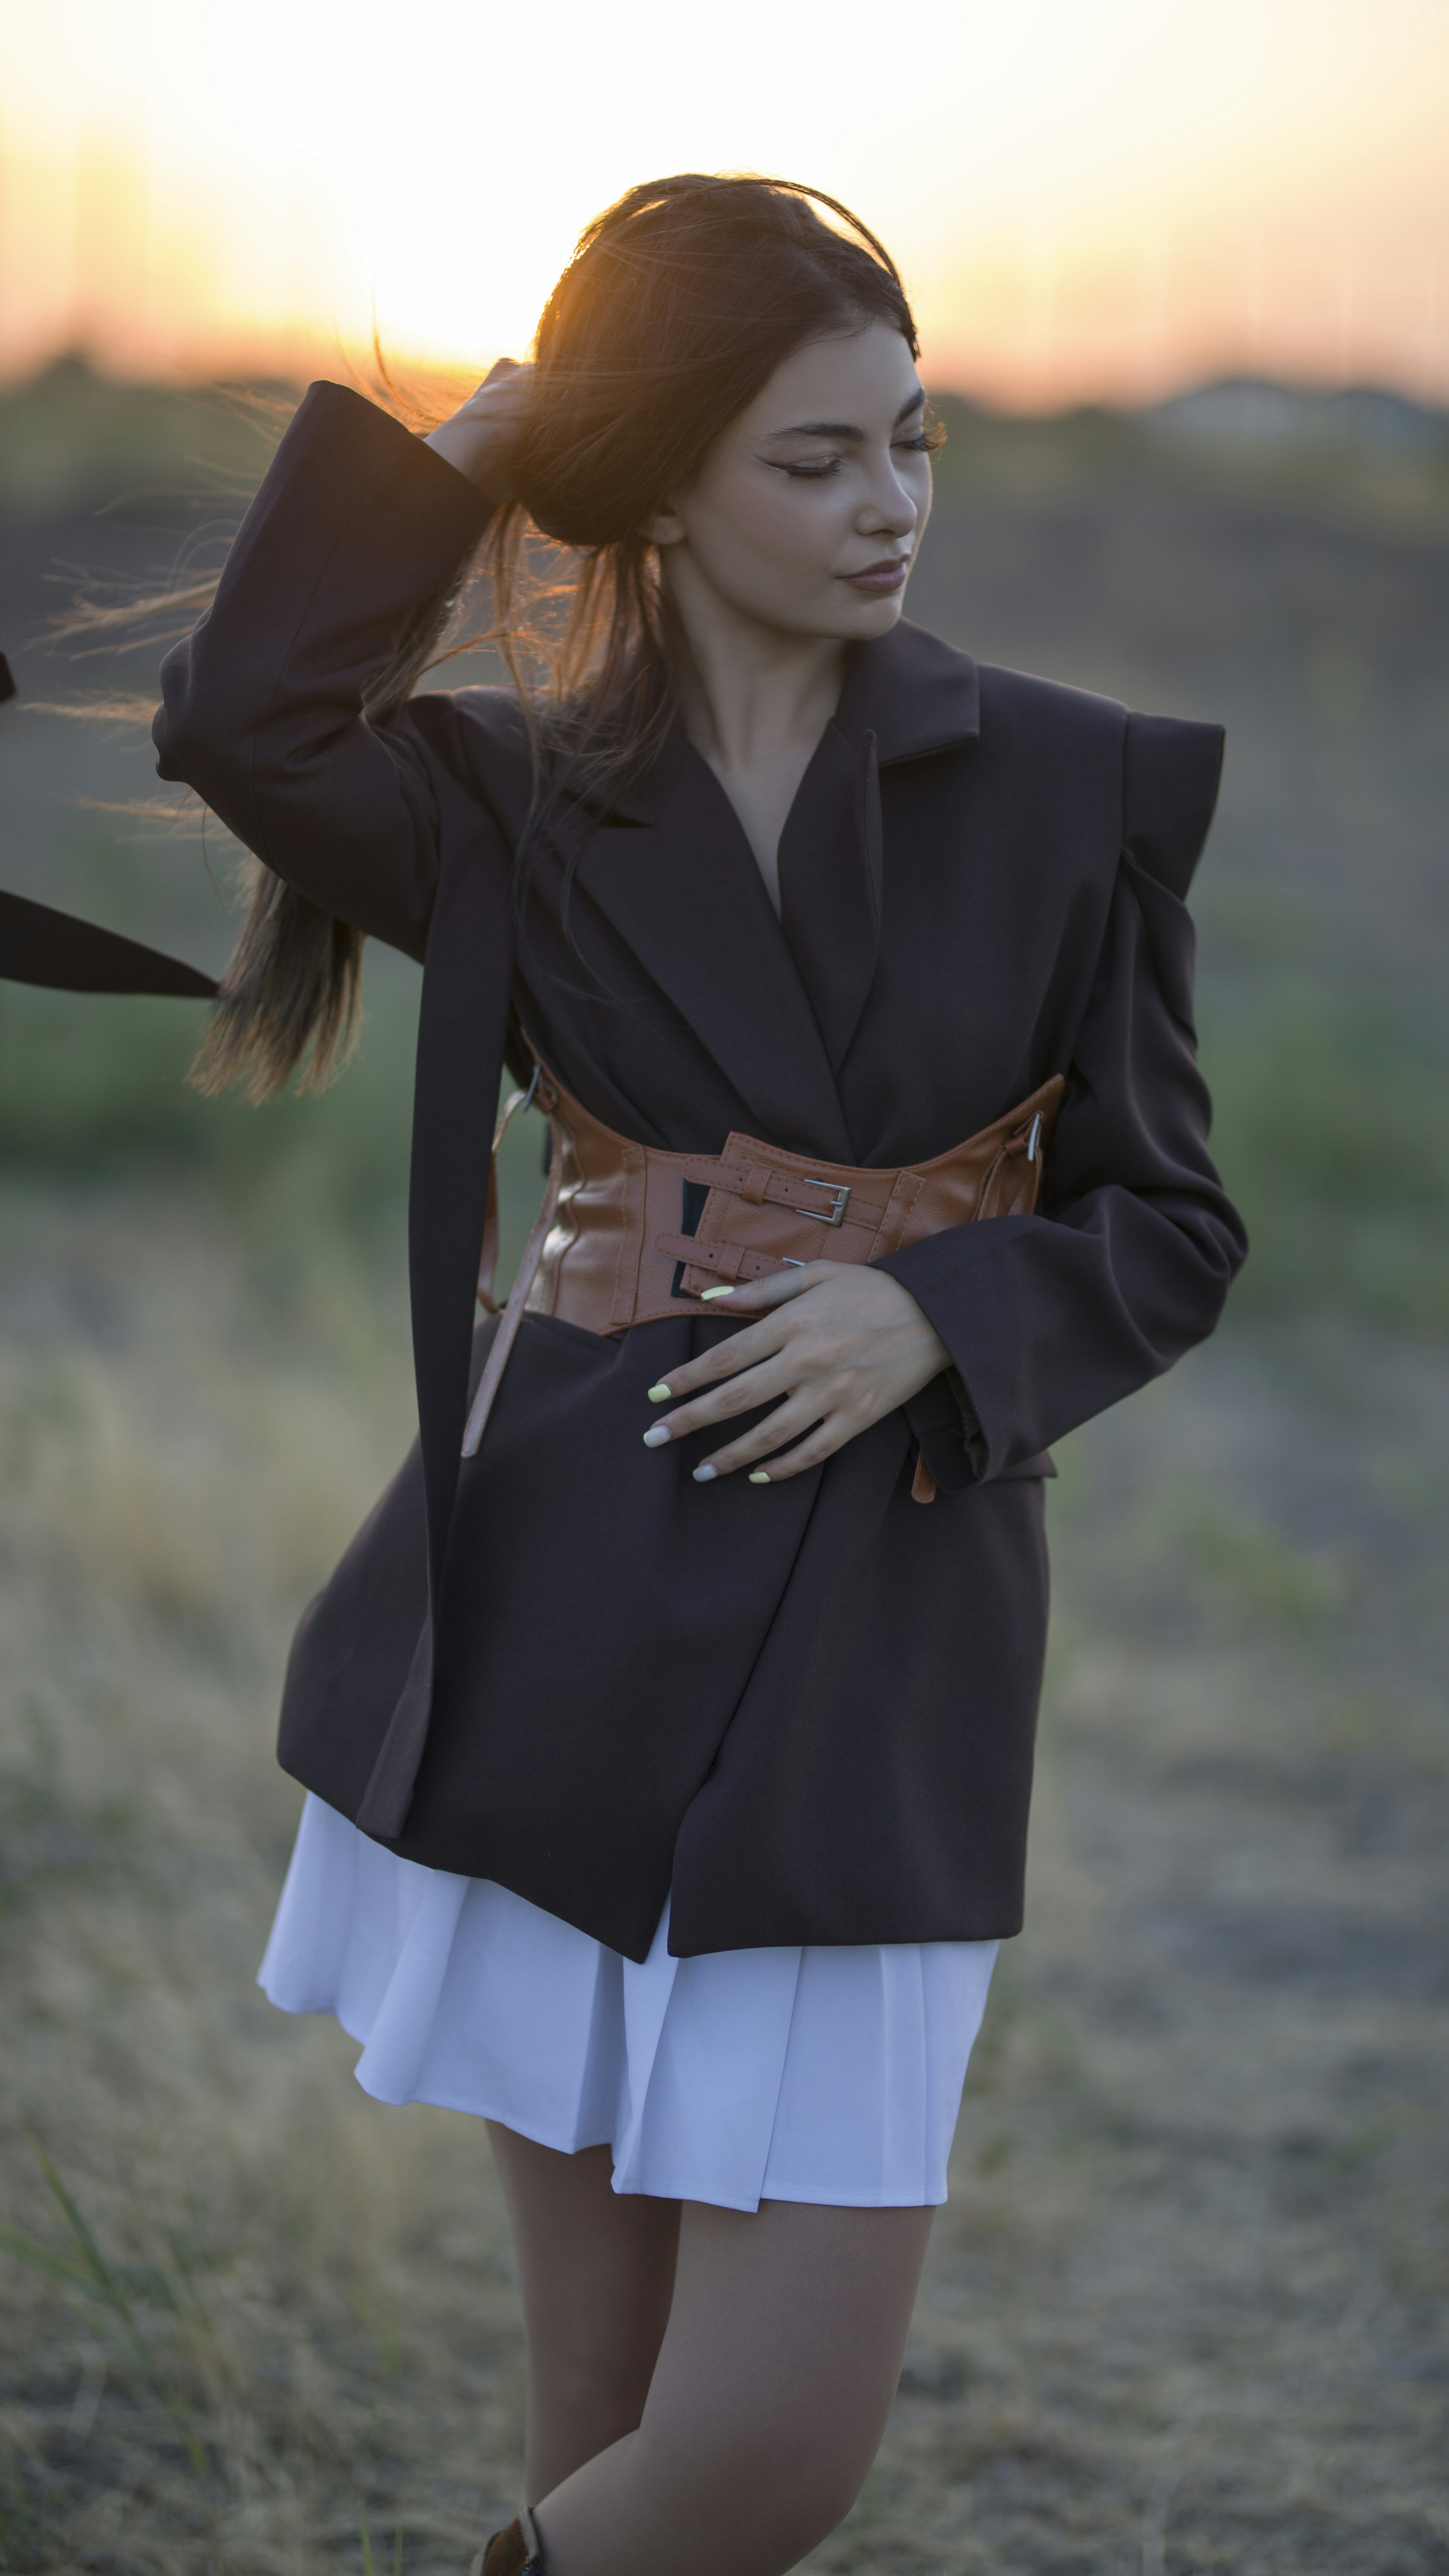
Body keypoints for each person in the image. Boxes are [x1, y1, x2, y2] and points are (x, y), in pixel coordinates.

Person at [151, 174, 1246, 2576]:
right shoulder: (504, 798)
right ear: (662, 478)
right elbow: (240, 716)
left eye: (913, 444)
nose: (890, 509)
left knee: (753, 2470)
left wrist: (938, 1310)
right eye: (813, 457)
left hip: (886, 1660)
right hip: (567, 1610)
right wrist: (488, 436)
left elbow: (1171, 1227)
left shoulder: (1070, 787)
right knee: (600, 2431)